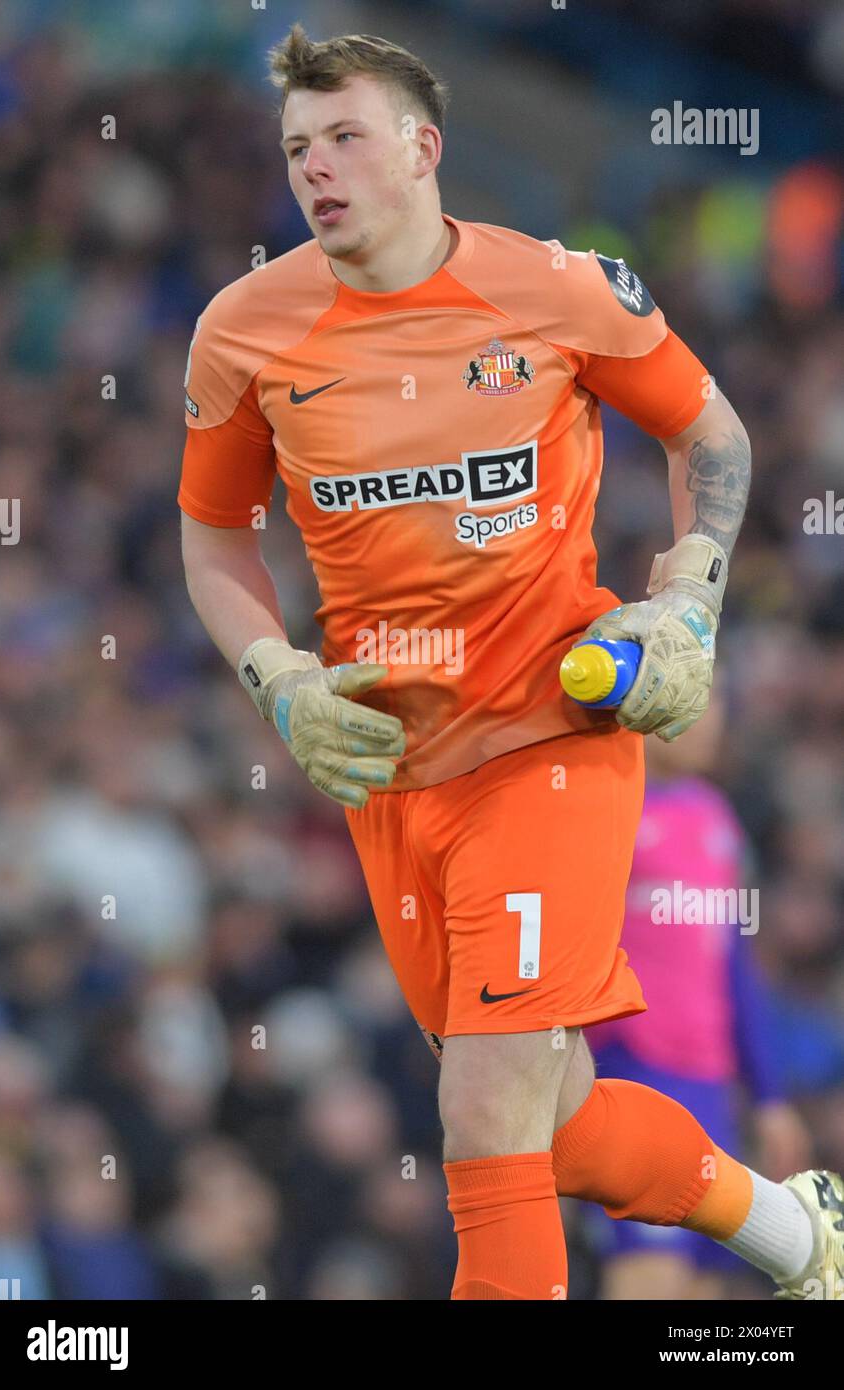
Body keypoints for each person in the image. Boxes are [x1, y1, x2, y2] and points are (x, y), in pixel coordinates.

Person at [177, 23, 842, 1299]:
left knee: (483, 1119)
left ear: (423, 148)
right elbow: (212, 545)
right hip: (386, 772)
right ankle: (802, 1238)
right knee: (556, 1126)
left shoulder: (561, 286)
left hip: (551, 743)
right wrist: (281, 681)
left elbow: (712, 433)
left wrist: (690, 599)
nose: (316, 168)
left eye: (345, 138)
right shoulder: (240, 334)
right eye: (297, 147)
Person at [587, 677, 813, 1299]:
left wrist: (768, 1096)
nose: (711, 719)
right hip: (632, 1071)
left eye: (719, 703)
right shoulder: (604, 805)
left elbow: (734, 965)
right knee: (647, 1276)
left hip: (709, 1088)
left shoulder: (716, 819)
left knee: (702, 1288)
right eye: (699, 699)